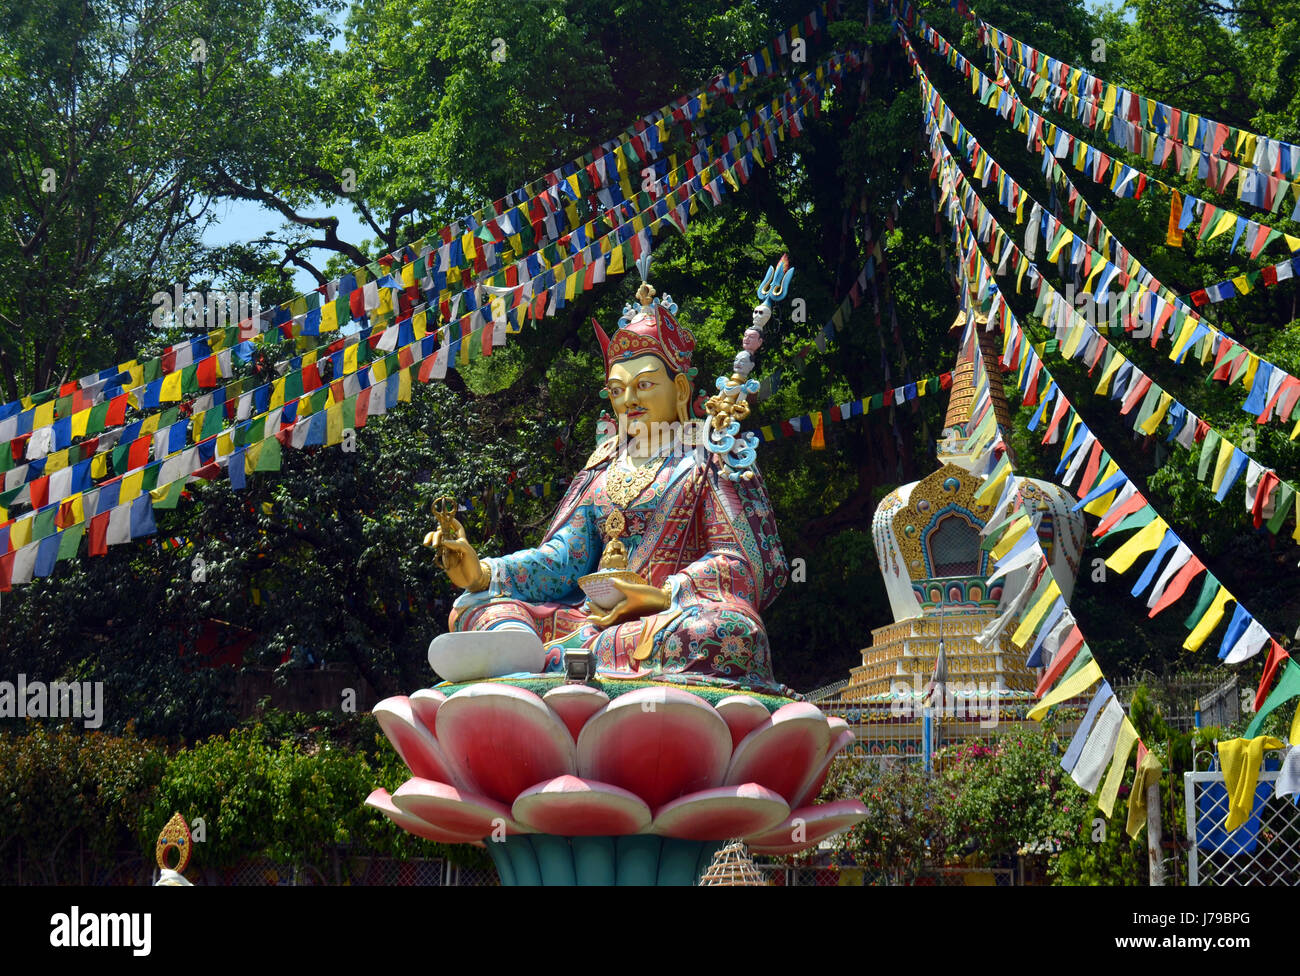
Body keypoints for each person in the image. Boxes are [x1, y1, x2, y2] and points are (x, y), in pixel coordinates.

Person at [424, 281, 790, 694]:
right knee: (476, 605)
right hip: (587, 621)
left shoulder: (710, 455)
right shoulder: (602, 464)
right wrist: (483, 571)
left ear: (681, 389)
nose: (628, 400)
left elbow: (745, 565)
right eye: (617, 390)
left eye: (644, 385)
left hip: (666, 619)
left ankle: (540, 667)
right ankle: (523, 648)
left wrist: (659, 595)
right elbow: (562, 560)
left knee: (727, 633)